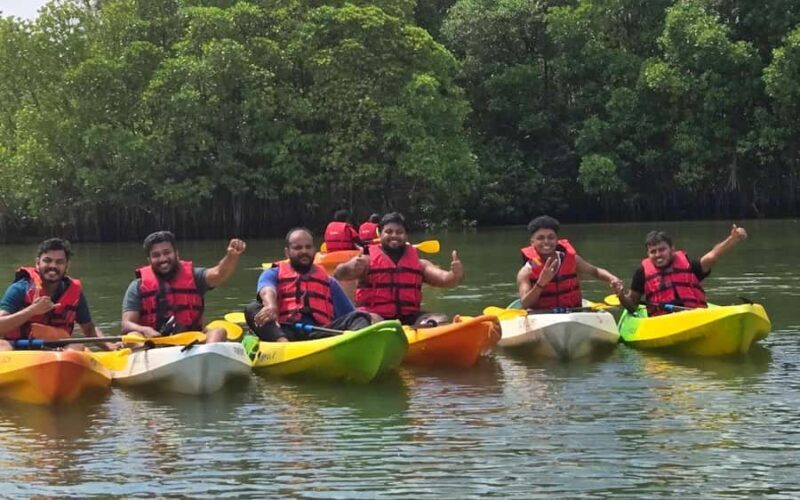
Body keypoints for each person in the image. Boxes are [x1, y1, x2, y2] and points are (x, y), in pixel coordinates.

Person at [334, 212, 463, 325]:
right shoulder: (366, 261)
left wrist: (455, 274)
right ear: (380, 234)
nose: (394, 236)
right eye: (389, 232)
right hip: (374, 316)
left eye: (399, 232)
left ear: (406, 235)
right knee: (372, 320)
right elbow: (339, 275)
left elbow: (446, 280)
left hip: (409, 318)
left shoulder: (420, 264)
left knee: (440, 319)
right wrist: (349, 267)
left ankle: (419, 335)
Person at [244, 227, 372, 341]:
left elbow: (349, 313)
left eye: (308, 247)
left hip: (320, 333)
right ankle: (283, 345)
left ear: (314, 250)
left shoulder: (328, 281)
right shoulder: (273, 273)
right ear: (287, 252)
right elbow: (267, 290)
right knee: (252, 308)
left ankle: (354, 345)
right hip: (284, 331)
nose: (304, 251)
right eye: (298, 248)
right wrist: (271, 306)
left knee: (359, 317)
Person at [121, 231, 246, 342]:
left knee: (219, 331)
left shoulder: (194, 277)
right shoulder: (137, 286)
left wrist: (232, 256)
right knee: (133, 336)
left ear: (176, 253)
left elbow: (219, 273)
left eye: (167, 252)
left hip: (192, 342)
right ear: (149, 260)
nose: (163, 258)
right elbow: (126, 324)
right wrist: (145, 330)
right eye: (156, 255)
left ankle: (205, 362)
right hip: (153, 345)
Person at [0, 238, 112, 351]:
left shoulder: (74, 292)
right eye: (47, 260)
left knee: (76, 346)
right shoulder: (20, 288)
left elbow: (89, 328)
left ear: (67, 266)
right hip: (18, 347)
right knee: (2, 346)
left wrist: (109, 346)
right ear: (38, 263)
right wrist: (32, 310)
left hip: (58, 351)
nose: (53, 266)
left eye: (59, 262)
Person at [613, 225, 748, 316]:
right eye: (653, 252)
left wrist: (733, 239)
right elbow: (632, 306)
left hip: (694, 316)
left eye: (662, 249)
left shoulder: (688, 264)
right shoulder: (641, 272)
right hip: (662, 322)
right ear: (648, 254)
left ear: (672, 249)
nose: (658, 254)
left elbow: (712, 257)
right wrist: (621, 296)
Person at [517, 215, 622, 310]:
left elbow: (595, 271)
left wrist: (612, 279)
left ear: (557, 240)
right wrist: (541, 283)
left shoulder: (572, 260)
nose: (546, 241)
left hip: (573, 312)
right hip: (541, 316)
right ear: (532, 242)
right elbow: (525, 304)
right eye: (540, 238)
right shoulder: (526, 272)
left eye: (551, 237)